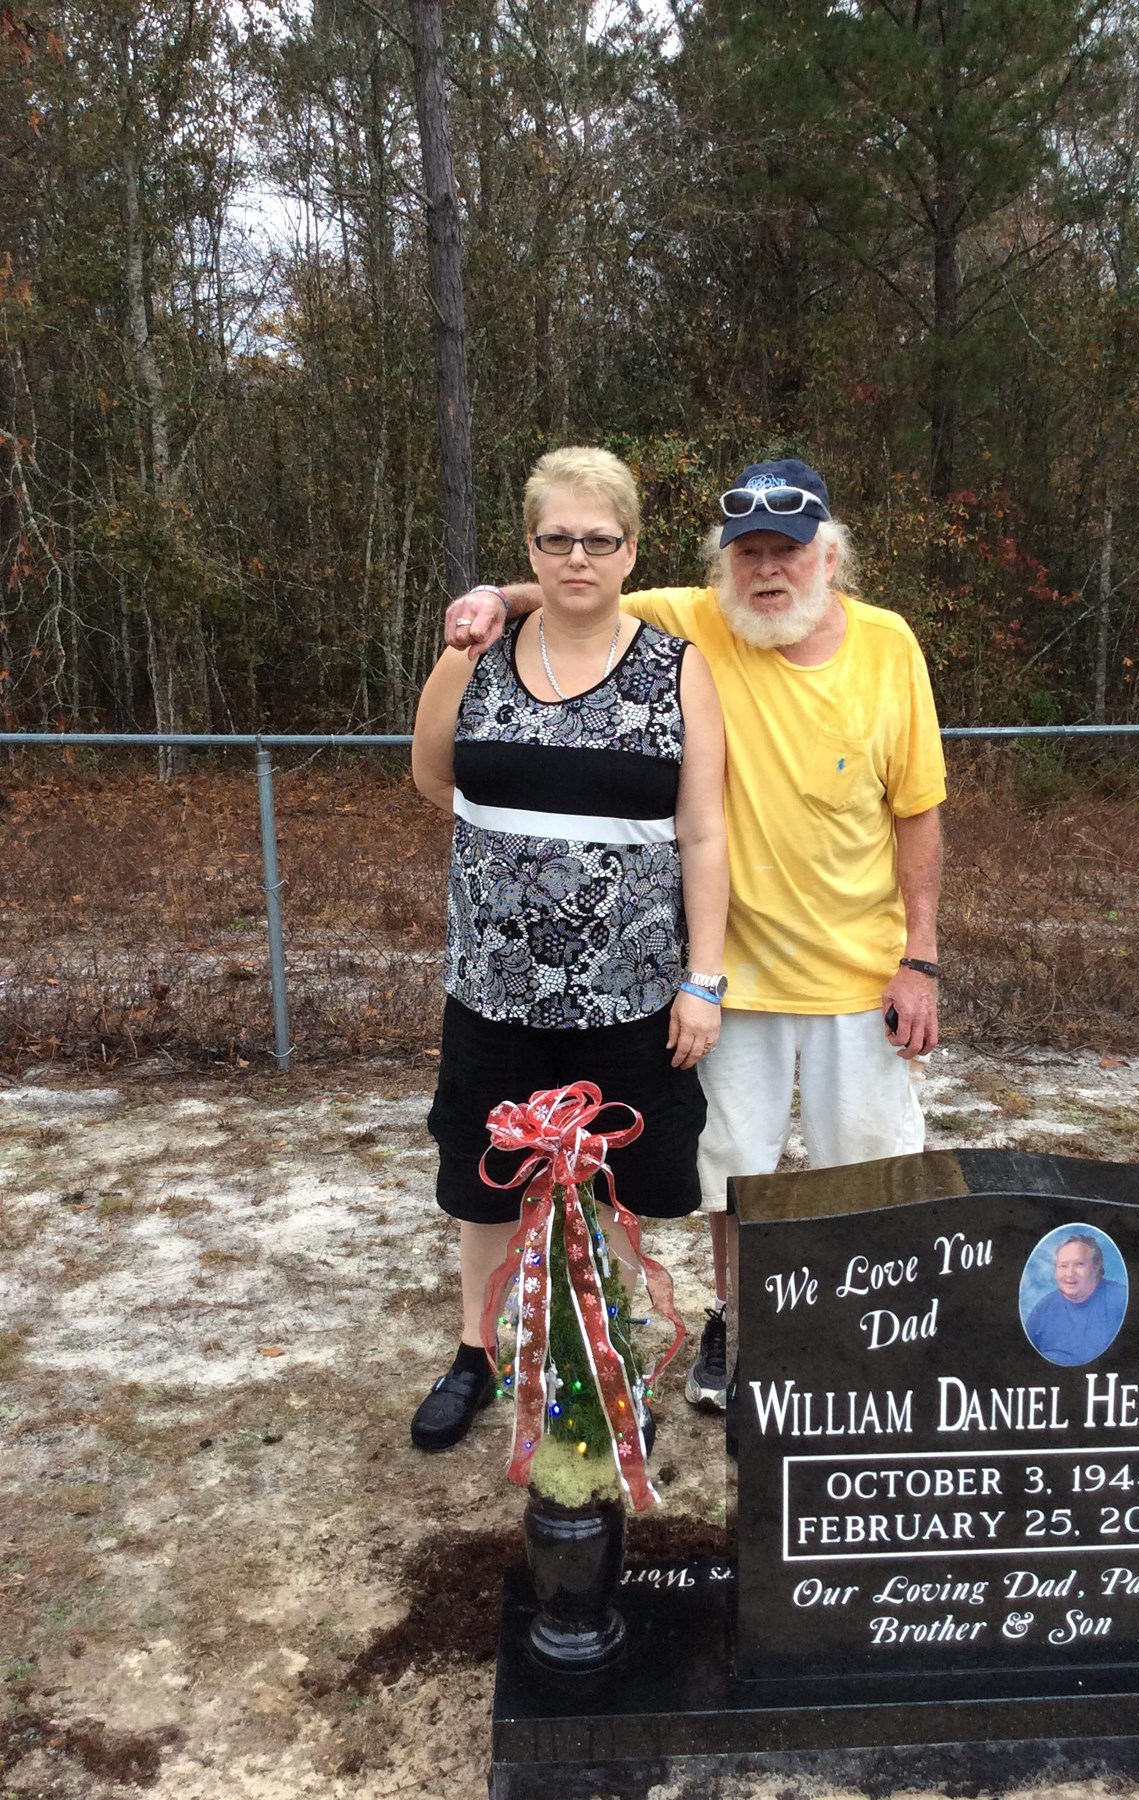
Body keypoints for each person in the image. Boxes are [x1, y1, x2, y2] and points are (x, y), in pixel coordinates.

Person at [443, 457, 945, 1423]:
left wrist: (918, 957)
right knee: (736, 1175)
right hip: (736, 977)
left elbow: (918, 812)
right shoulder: (698, 622)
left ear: (827, 555)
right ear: (723, 565)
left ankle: (866, 1334)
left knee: (870, 1168)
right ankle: (737, 1325)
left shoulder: (888, 647)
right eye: (747, 551)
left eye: (787, 551)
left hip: (860, 975)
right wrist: (484, 598)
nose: (767, 571)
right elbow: (576, 574)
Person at [409, 446, 728, 1452]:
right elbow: (432, 780)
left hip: (629, 995)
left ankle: (600, 1349)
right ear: (531, 549)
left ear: (630, 550)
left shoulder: (678, 669)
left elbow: (706, 833)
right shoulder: (479, 656)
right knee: (486, 1175)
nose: (577, 557)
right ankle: (477, 1352)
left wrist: (702, 981)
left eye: (599, 540)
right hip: (493, 989)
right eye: (557, 539)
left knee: (616, 1180)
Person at [1024, 1234, 1128, 1367]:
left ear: (1096, 1267)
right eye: (1063, 1266)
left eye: (1079, 1264)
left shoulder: (1121, 1300)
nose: (1070, 1274)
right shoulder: (1042, 1311)